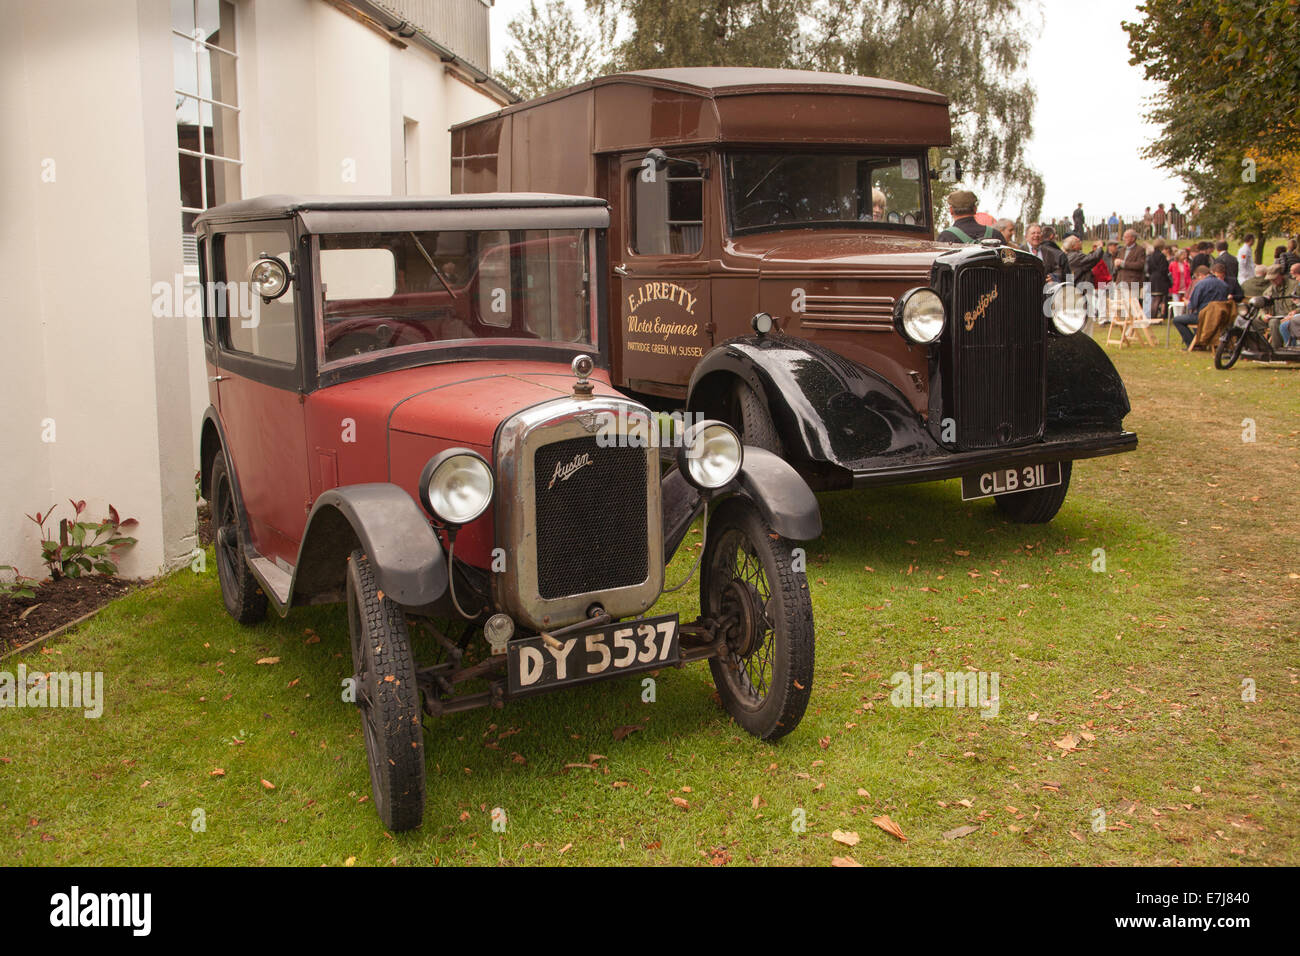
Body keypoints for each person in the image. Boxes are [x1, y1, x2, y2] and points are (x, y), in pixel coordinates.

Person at [1177, 262, 1231, 346]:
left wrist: (1187, 302)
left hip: (1203, 316)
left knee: (1177, 320)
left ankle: (1192, 343)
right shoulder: (1224, 285)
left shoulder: (1201, 284)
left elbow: (1193, 305)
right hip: (1220, 317)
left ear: (1200, 275)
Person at [1146, 238, 1171, 319]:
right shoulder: (1161, 256)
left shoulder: (1151, 256)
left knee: (1154, 298)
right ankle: (1153, 316)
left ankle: (1152, 315)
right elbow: (1164, 269)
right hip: (1160, 279)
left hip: (1152, 278)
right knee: (1158, 298)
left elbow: (1148, 269)